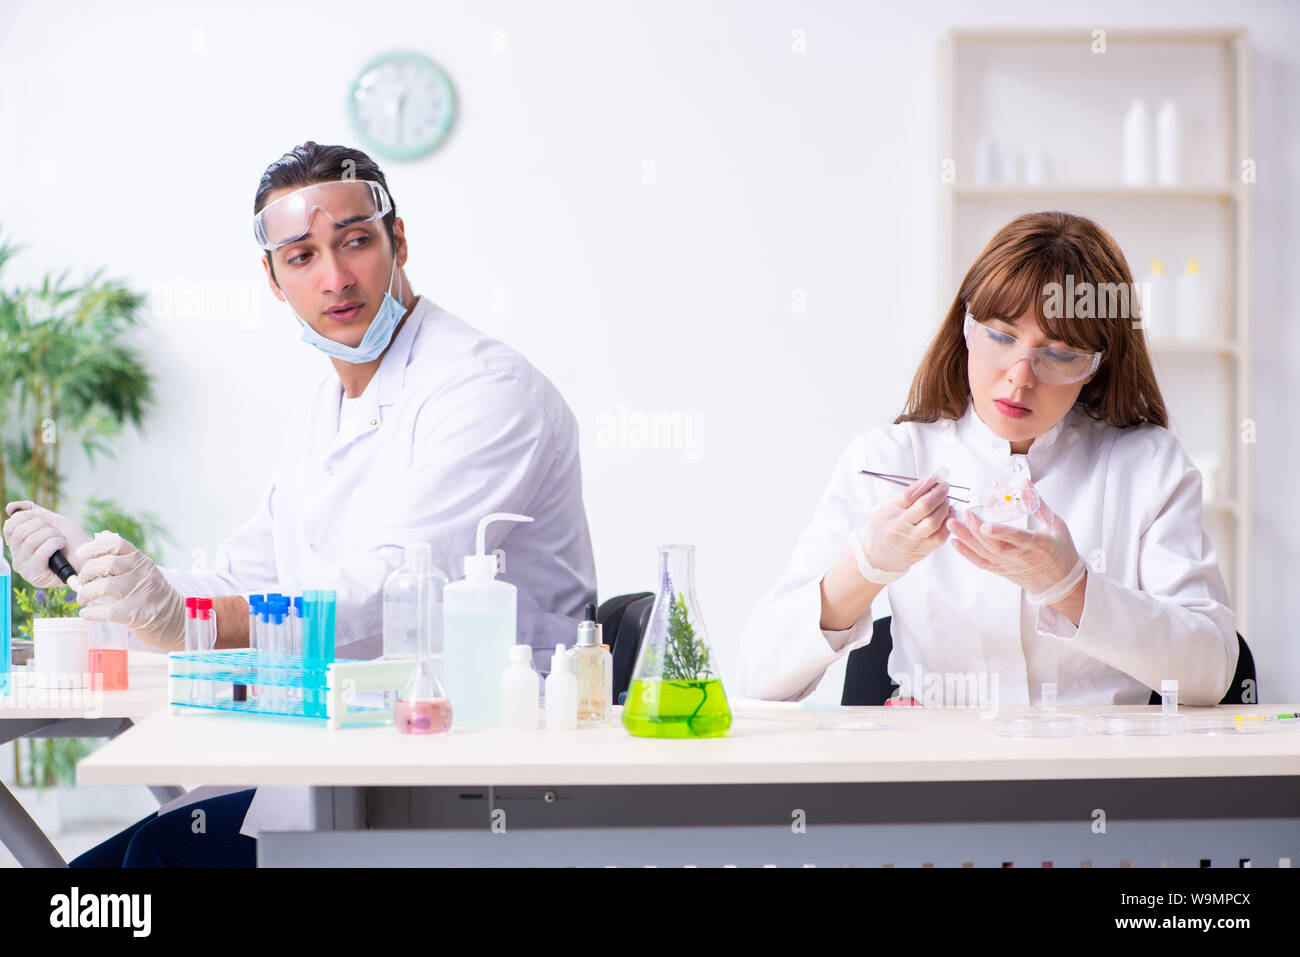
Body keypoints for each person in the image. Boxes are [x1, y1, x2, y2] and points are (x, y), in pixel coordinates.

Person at [3, 141, 597, 865]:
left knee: (140, 870)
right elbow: (241, 579)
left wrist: (175, 616)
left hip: (463, 773)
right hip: (346, 753)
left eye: (355, 242)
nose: (337, 278)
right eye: (303, 256)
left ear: (397, 241)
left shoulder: (485, 390)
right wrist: (105, 577)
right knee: (90, 881)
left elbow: (387, 600)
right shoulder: (325, 407)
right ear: (274, 279)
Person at [737, 211, 1237, 707]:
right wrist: (866, 567)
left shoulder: (1147, 466)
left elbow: (1210, 672)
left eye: (1059, 354)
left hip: (1095, 772)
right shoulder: (888, 457)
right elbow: (761, 676)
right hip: (939, 773)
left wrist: (1071, 587)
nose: (1020, 377)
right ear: (966, 325)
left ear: (1097, 368)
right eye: (1000, 336)